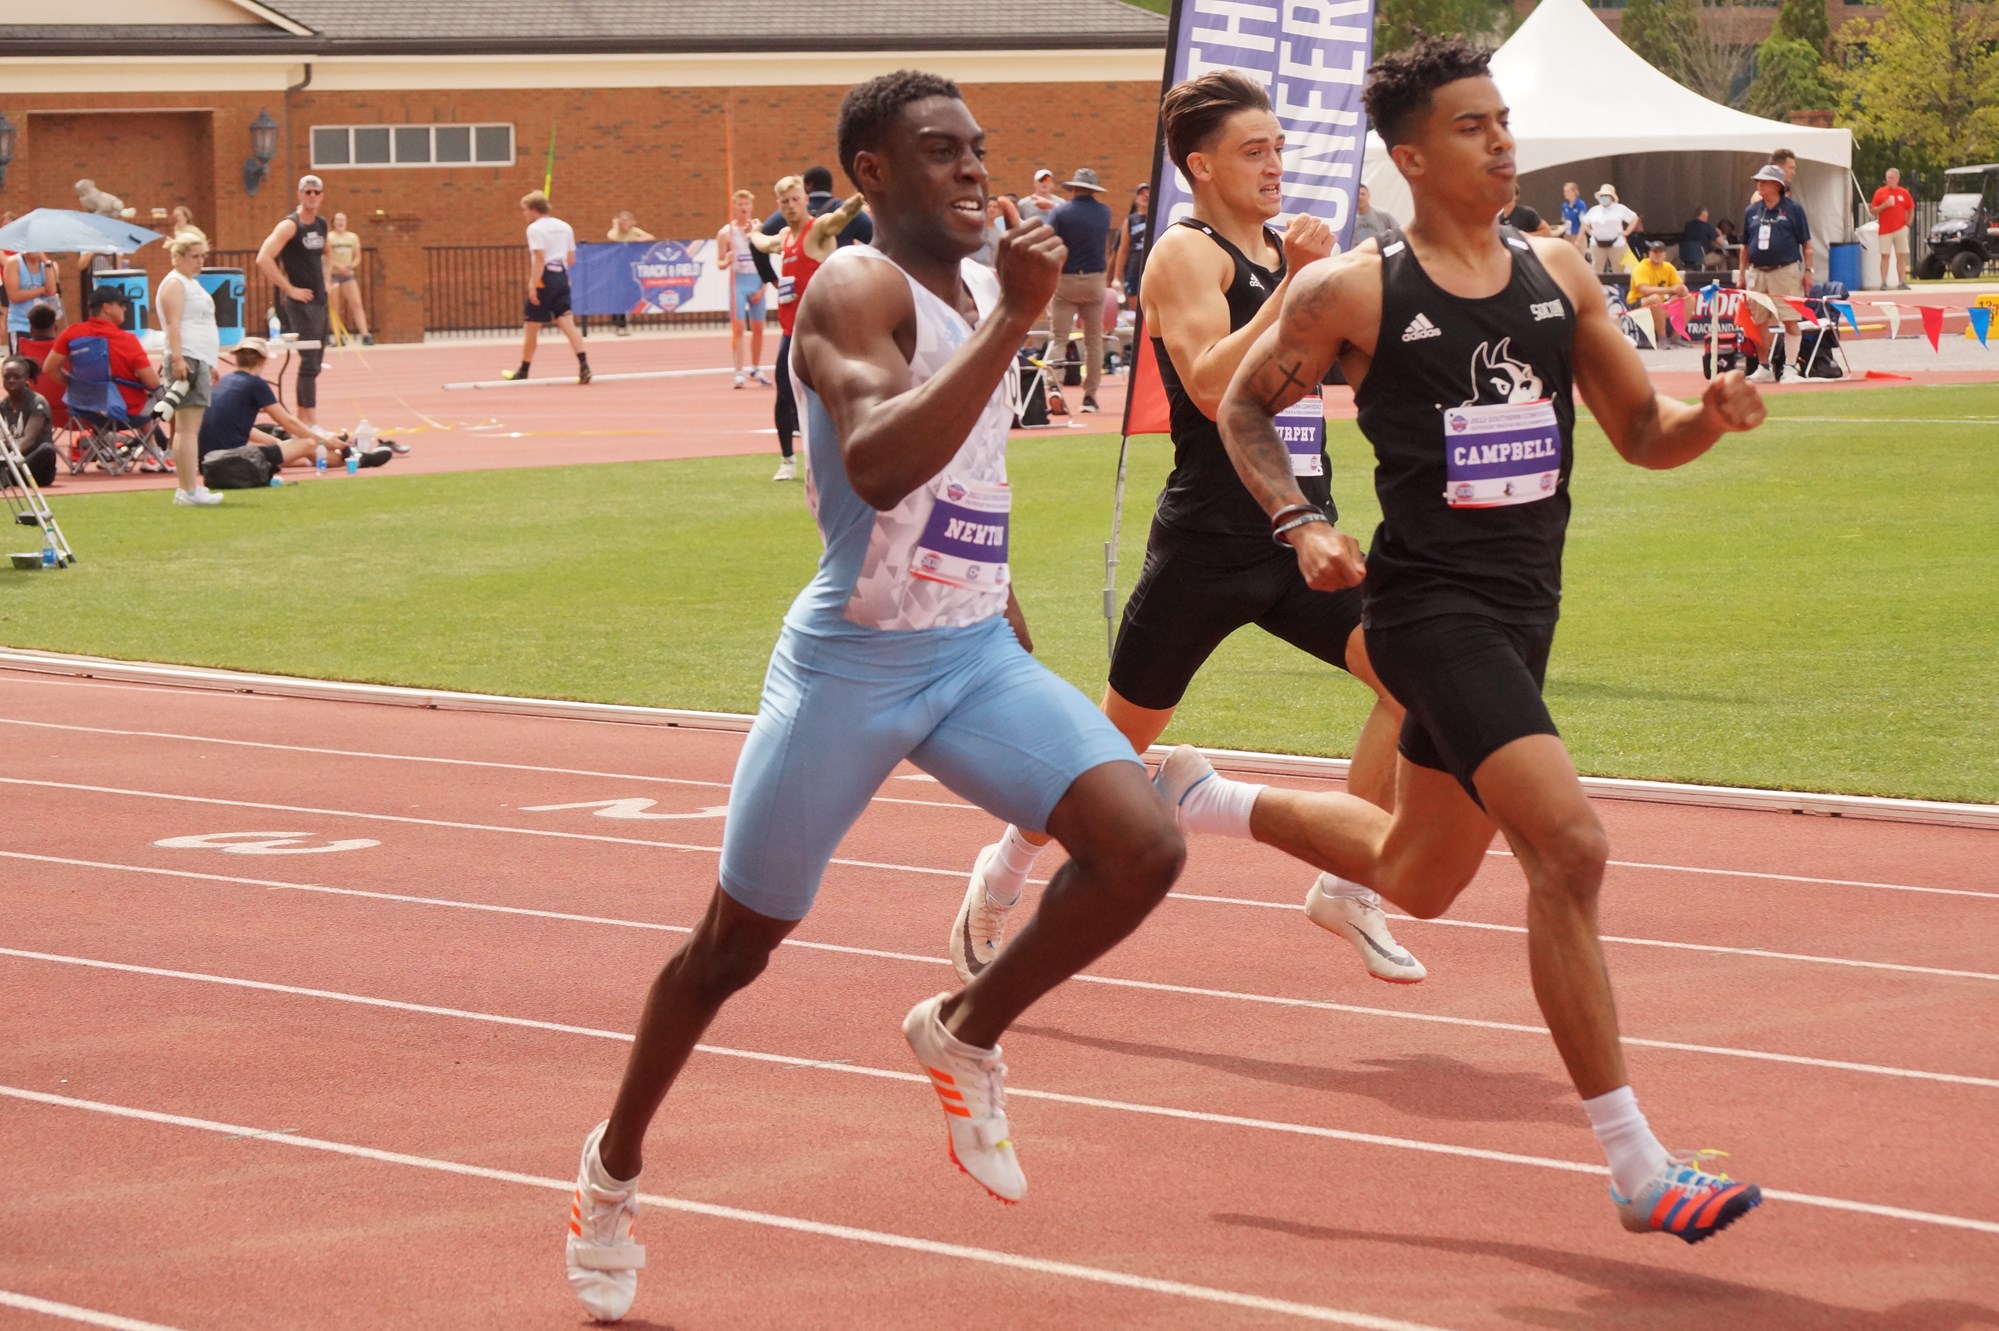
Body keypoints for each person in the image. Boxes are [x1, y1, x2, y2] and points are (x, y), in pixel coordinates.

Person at [560, 70, 1186, 1323]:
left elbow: (970, 484)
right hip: (850, 667)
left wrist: (1004, 614)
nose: (974, 170)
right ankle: (610, 1170)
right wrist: (1016, 324)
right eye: (940, 150)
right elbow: (882, 462)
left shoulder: (978, 289)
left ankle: (962, 1028)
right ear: (871, 171)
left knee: (1142, 844)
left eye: (979, 148)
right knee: (730, 951)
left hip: (971, 653)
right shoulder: (856, 285)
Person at [1210, 36, 1768, 1243]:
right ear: (1409, 157)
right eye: (1471, 126)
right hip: (1427, 610)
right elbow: (1242, 403)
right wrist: (1299, 521)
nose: (1502, 142)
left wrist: (1712, 417)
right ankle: (1635, 1163)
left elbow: (1642, 431)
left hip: (1525, 610)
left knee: (1418, 877)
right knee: (1567, 847)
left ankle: (1203, 795)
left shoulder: (1555, 267)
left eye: (1503, 120)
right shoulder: (1353, 290)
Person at [950, 69, 1425, 991]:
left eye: (1279, 148)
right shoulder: (1183, 252)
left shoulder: (1289, 249)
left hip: (1299, 532)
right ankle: (1000, 872)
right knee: (1105, 753)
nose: (1275, 165)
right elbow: (1211, 387)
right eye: (1254, 151)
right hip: (1207, 547)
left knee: (1416, 681)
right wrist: (1296, 289)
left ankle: (1348, 883)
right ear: (1200, 166)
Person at [761, 175, 868, 480]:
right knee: (784, 394)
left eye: (796, 199)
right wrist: (752, 232)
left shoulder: (818, 229)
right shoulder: (784, 236)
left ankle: (852, 456)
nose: (791, 206)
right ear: (779, 205)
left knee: (837, 395)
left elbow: (841, 217)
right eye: (785, 202)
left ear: (806, 200)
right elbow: (764, 243)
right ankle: (787, 460)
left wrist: (859, 198)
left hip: (824, 332)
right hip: (791, 332)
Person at [196, 338, 391, 474]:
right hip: (231, 459)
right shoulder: (255, 384)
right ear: (263, 360)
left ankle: (339, 456)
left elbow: (243, 428)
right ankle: (356, 459)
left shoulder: (226, 382)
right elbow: (288, 422)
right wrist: (325, 441)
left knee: (295, 452)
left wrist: (277, 443)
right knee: (308, 444)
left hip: (207, 459)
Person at [254, 175, 331, 426]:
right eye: (307, 192)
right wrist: (290, 288)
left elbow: (327, 253)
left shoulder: (321, 224)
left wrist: (327, 282)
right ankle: (307, 420)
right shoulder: (290, 225)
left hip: (320, 301)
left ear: (322, 196)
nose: (312, 196)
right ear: (299, 195)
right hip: (301, 303)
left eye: (316, 192)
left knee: (316, 362)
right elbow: (263, 258)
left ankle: (306, 418)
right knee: (308, 361)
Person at [155, 234, 225, 507]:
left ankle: (190, 487)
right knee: (186, 429)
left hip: (198, 358)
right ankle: (188, 489)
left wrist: (210, 362)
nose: (200, 261)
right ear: (178, 257)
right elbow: (174, 323)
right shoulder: (175, 283)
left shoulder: (190, 283)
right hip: (187, 358)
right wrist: (177, 358)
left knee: (190, 428)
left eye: (202, 256)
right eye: (195, 256)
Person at [502, 191, 591, 385]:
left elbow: (539, 258)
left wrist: (533, 286)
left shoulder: (534, 229)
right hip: (562, 277)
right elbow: (571, 259)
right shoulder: (565, 226)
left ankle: (523, 370)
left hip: (544, 278)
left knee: (531, 327)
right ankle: (584, 365)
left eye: (525, 210)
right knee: (568, 324)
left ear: (534, 210)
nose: (524, 214)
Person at [1045, 167, 1113, 412]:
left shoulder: (1060, 212)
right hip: (1095, 280)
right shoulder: (1105, 212)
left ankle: (1054, 386)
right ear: (1093, 189)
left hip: (1066, 278)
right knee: (1094, 340)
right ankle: (1090, 396)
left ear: (1072, 188)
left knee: (1059, 337)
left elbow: (1049, 241)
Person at [1740, 163, 1812, 383]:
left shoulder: (1793, 210)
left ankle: (1790, 367)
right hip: (1757, 271)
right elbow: (1745, 246)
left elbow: (1807, 244)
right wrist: (1742, 274)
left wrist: (1808, 271)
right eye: (1758, 181)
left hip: (1785, 270)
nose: (1759, 185)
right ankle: (1764, 367)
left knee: (1790, 319)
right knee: (1758, 321)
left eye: (1764, 182)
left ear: (1777, 185)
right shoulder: (1751, 211)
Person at [43, 287, 160, 421]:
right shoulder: (127, 340)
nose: (125, 309)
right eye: (121, 304)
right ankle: (158, 435)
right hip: (126, 410)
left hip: (85, 407)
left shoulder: (71, 333)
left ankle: (146, 435)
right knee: (165, 401)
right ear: (107, 308)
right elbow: (153, 383)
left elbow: (49, 368)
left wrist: (77, 385)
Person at [716, 190, 772, 389]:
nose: (743, 207)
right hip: (738, 282)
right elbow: (719, 263)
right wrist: (727, 260)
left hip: (757, 280)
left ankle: (755, 368)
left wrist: (764, 286)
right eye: (739, 204)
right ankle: (739, 371)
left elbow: (765, 259)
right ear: (734, 207)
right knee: (738, 328)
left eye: (746, 203)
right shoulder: (725, 233)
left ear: (751, 206)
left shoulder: (759, 229)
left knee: (758, 328)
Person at [0, 355, 59, 489]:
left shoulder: (37, 402)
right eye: (7, 377)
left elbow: (29, 440)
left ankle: (7, 476)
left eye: (16, 376)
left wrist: (8, 461)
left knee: (47, 449)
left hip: (34, 465)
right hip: (12, 462)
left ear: (26, 378)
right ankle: (7, 476)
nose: (11, 380)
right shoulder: (2, 406)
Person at [1628, 239, 1691, 347]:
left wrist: (1682, 289)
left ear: (1665, 254)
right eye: (1655, 252)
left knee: (1689, 298)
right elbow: (1644, 290)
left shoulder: (1668, 267)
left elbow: (1679, 286)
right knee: (1655, 299)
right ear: (1649, 254)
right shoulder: (1641, 267)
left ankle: (1676, 336)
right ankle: (1662, 339)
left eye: (1660, 252)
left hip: (1661, 304)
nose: (1657, 254)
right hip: (1638, 304)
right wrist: (1671, 290)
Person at [325, 212, 373, 346]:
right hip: (333, 274)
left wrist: (351, 266)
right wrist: (338, 266)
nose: (341, 222)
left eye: (343, 220)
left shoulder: (352, 237)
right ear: (333, 222)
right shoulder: (329, 237)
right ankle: (338, 336)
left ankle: (365, 335)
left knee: (357, 303)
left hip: (348, 274)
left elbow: (357, 256)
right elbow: (326, 257)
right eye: (338, 219)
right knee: (334, 306)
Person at [606, 211, 656, 335]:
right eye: (622, 221)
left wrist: (637, 239)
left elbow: (651, 237)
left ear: (632, 222)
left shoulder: (634, 231)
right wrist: (616, 225)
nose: (624, 224)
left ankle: (624, 321)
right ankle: (618, 323)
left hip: (631, 269)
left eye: (626, 221)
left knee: (628, 295)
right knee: (617, 296)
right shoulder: (615, 232)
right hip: (617, 269)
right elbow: (612, 237)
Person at [5, 249, 60, 353]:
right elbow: (14, 296)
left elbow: (51, 290)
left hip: (44, 327)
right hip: (20, 324)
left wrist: (46, 262)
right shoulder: (14, 263)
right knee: (21, 361)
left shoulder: (51, 265)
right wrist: (41, 290)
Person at [1870, 167, 1915, 291]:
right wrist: (1885, 205)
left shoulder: (1904, 193)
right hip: (1885, 230)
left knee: (1901, 256)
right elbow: (1873, 210)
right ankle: (1884, 282)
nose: (1889, 180)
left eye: (1892, 178)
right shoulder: (1880, 192)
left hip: (1900, 228)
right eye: (1888, 178)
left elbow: (1911, 209)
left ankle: (1902, 281)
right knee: (1885, 256)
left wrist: (1908, 224)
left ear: (1897, 179)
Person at [1110, 182, 1151, 310]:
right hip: (1134, 268)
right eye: (1141, 193)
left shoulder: (1159, 217)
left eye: (1148, 192)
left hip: (1152, 266)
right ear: (1136, 199)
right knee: (1135, 307)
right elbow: (1123, 249)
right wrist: (1117, 276)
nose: (1145, 195)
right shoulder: (1131, 220)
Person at [1582, 184, 1636, 273]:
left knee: (1618, 270)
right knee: (1596, 270)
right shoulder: (1595, 210)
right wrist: (1590, 232)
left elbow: (1634, 218)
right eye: (1602, 196)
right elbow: (1584, 221)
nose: (1604, 198)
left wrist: (1627, 232)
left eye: (1606, 195)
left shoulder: (1619, 208)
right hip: (1597, 244)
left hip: (1616, 244)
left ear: (1612, 197)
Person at [971, 193, 1021, 269]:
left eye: (995, 207)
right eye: (989, 206)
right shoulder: (972, 231)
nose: (991, 209)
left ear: (999, 211)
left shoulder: (1001, 235)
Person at [1351, 183, 1398, 250]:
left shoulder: (1383, 215)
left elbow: (1398, 233)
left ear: (1369, 196)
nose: (1360, 197)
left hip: (1379, 253)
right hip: (1357, 254)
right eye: (1357, 194)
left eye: (1363, 194)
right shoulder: (1348, 220)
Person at [1680, 207, 1721, 272]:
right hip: (1702, 258)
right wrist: (1719, 232)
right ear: (1704, 216)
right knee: (1722, 258)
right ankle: (1723, 277)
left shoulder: (1687, 226)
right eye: (1707, 216)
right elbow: (1721, 241)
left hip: (1686, 257)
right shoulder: (1707, 226)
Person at [1559, 181, 1587, 253]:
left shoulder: (1580, 205)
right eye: (1564, 191)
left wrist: (1578, 240)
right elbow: (1564, 219)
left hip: (1578, 236)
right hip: (1567, 235)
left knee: (1579, 257)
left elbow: (1583, 224)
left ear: (1574, 192)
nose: (1565, 193)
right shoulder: (1564, 205)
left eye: (1567, 191)